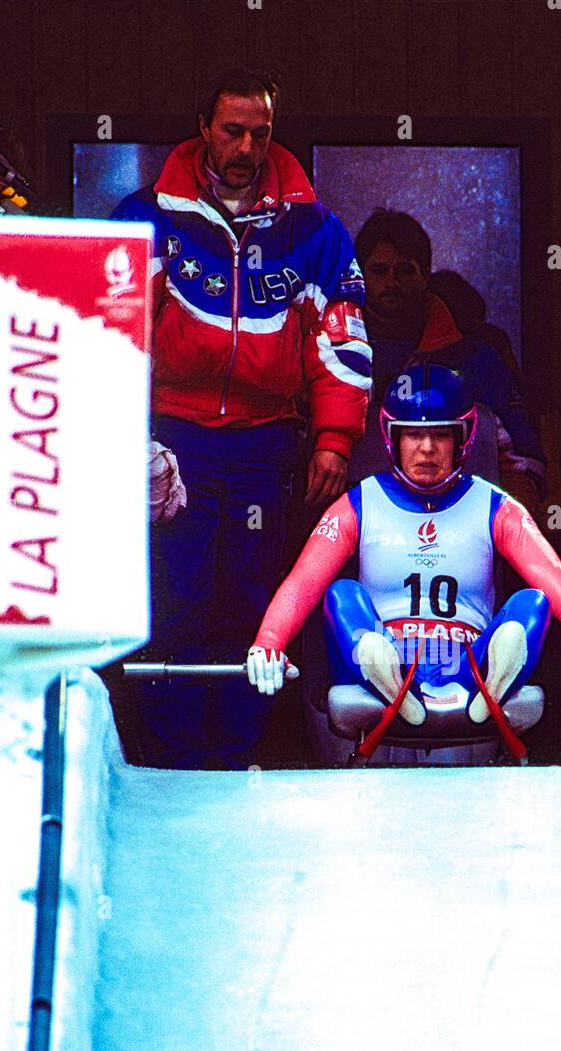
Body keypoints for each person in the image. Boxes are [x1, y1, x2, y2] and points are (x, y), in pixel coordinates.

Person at [109, 67, 371, 768]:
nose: (247, 146)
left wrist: (335, 441)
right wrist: (124, 437)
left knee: (253, 598)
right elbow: (113, 336)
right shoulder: (147, 216)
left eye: (260, 133)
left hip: (265, 445)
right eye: (233, 130)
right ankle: (168, 758)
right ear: (203, 129)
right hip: (176, 442)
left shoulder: (315, 229)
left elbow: (341, 341)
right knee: (176, 593)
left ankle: (234, 755)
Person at [246, 366, 561, 740]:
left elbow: (554, 579)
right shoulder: (358, 502)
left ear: (463, 438)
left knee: (533, 602)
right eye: (413, 436)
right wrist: (269, 642)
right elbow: (303, 582)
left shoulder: (496, 507)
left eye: (442, 435)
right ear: (392, 439)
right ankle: (390, 678)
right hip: (383, 657)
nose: (428, 449)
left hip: (469, 664)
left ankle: (481, 687)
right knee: (341, 594)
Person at [351, 209, 547, 513]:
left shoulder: (476, 360)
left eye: (404, 270)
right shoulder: (335, 354)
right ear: (361, 275)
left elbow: (523, 465)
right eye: (379, 271)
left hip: (461, 529)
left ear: (425, 274)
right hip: (360, 530)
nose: (391, 282)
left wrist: (506, 533)